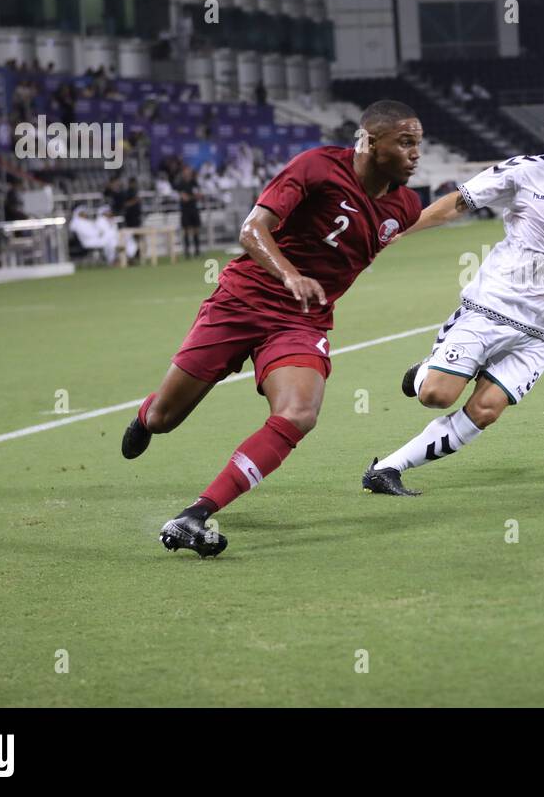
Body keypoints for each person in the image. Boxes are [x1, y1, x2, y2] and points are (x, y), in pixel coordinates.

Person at [121, 100, 424, 557]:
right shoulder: (318, 165)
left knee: (300, 413)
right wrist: (289, 274)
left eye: (418, 143)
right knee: (166, 418)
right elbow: (253, 229)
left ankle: (195, 514)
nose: (415, 153)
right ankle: (148, 414)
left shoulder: (406, 207)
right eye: (405, 142)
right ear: (369, 141)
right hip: (242, 300)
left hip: (300, 320)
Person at [361, 83, 544, 497]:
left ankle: (387, 469)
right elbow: (459, 202)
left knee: (486, 411)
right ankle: (423, 374)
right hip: (489, 309)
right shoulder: (525, 171)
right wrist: (401, 228)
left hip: (541, 333)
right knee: (437, 395)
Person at [175, 165, 203, 257]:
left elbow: (199, 195)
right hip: (185, 210)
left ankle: (197, 251)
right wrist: (193, 197)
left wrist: (191, 197)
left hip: (194, 209)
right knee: (186, 230)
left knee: (196, 230)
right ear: (183, 173)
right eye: (186, 171)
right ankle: (187, 252)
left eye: (188, 171)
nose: (187, 173)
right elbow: (184, 198)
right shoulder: (180, 184)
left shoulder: (194, 182)